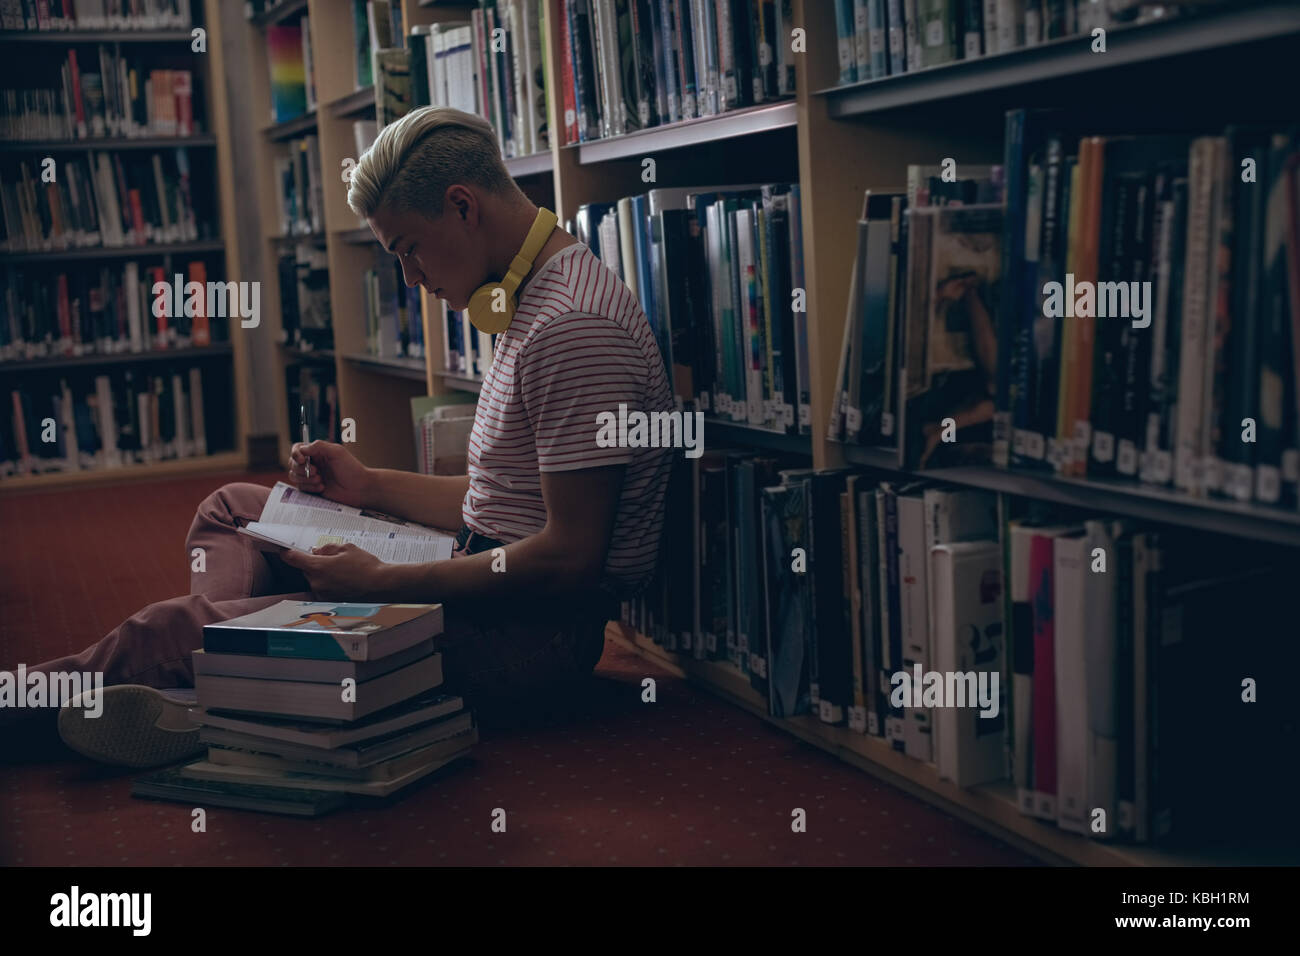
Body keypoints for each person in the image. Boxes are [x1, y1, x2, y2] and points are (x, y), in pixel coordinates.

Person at [1, 106, 675, 766]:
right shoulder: (527, 296)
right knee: (235, 510)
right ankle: (240, 671)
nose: (411, 279)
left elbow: (569, 556)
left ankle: (121, 689)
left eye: (408, 250)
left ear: (463, 206)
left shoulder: (571, 328)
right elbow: (505, 497)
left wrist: (391, 581)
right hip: (488, 570)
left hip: (523, 636)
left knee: (168, 630)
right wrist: (369, 485)